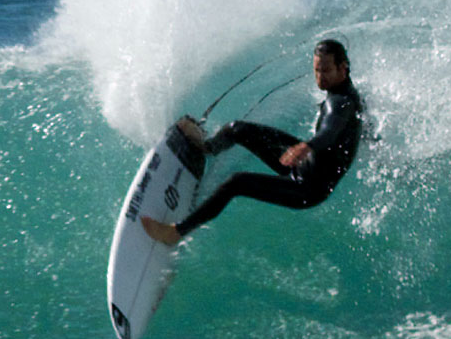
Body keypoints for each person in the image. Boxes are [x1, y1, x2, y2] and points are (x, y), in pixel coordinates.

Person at [141, 38, 364, 246]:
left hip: (307, 188)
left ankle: (175, 232)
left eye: (326, 70)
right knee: (236, 129)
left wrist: (307, 146)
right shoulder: (351, 96)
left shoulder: (340, 103)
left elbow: (329, 131)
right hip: (305, 162)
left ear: (343, 68)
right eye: (316, 70)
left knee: (237, 182)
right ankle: (206, 149)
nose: (320, 77)